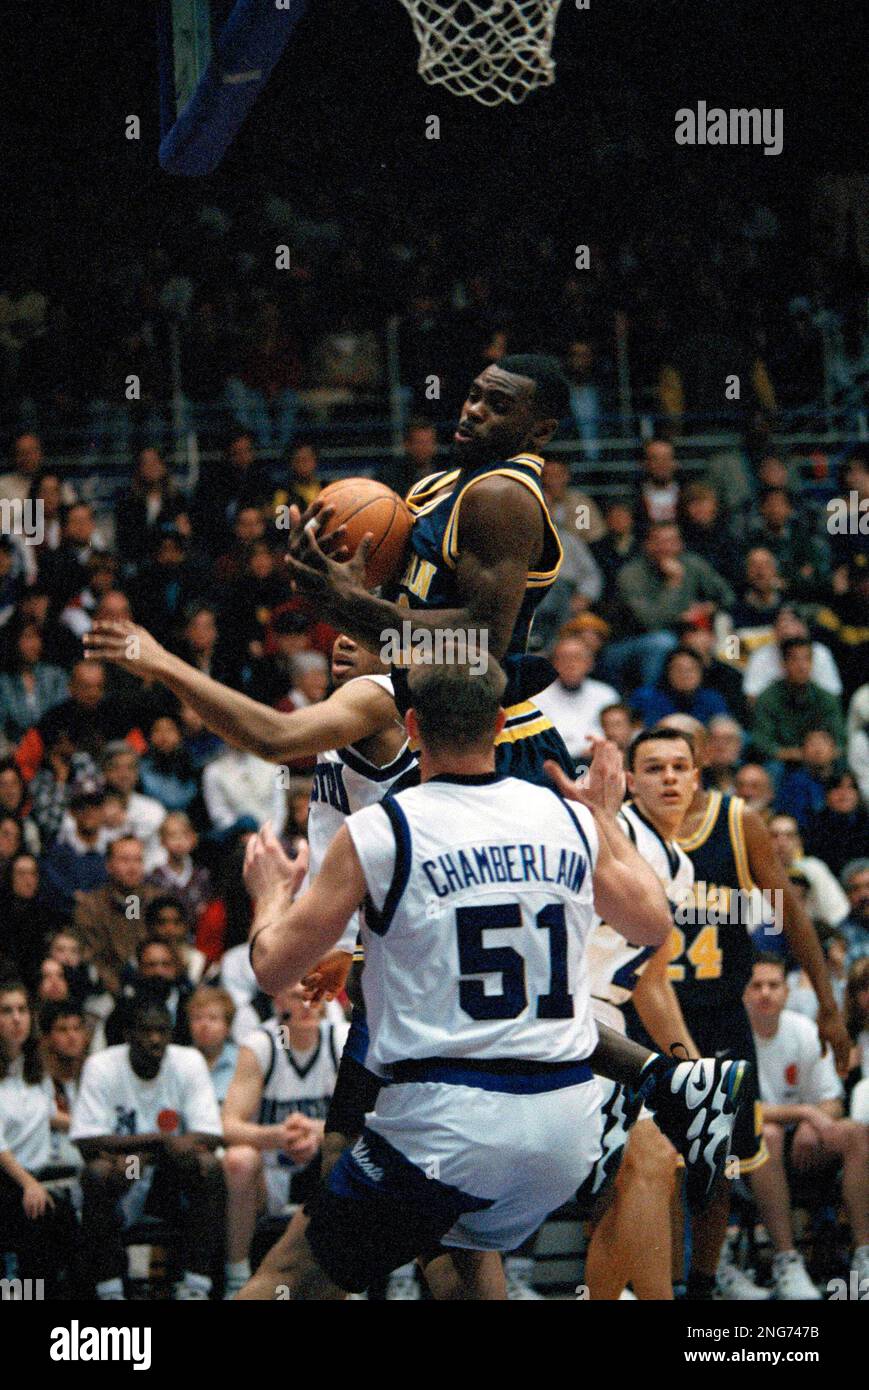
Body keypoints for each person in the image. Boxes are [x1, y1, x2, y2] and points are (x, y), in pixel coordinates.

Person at [238, 660, 675, 1299]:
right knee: (462, 1262)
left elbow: (273, 965)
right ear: (500, 726)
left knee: (288, 1277)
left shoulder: (382, 828)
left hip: (451, 1121)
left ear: (411, 728)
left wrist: (269, 896)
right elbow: (653, 921)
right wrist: (606, 818)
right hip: (562, 1124)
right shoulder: (568, 818)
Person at [654, 713, 851, 1300]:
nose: (671, 769)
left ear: (704, 759)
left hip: (717, 1015)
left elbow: (787, 912)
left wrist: (829, 1007)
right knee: (644, 1164)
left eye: (683, 754)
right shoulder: (626, 825)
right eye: (658, 758)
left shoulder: (737, 823)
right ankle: (649, 1281)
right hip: (645, 1017)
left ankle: (704, 1286)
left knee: (715, 1169)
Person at [70, 999, 224, 1300]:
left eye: (162, 1031)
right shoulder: (101, 1065)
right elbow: (86, 1140)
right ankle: (110, 1287)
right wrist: (157, 1140)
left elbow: (211, 1134)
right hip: (128, 1168)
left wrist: (158, 1149)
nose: (155, 1039)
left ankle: (196, 1285)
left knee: (209, 1166)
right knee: (98, 1172)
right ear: (128, 1034)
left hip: (169, 1169)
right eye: (146, 1031)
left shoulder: (188, 1061)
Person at [745, 955, 868, 1299]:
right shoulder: (734, 1034)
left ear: (787, 991)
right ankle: (787, 1261)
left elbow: (831, 1101)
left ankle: (864, 1256)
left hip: (804, 1146)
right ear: (744, 993)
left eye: (774, 985)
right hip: (747, 1154)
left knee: (855, 1133)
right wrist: (803, 1113)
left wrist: (813, 1121)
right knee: (765, 1134)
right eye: (757, 986)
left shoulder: (803, 1030)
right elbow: (741, 1110)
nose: (765, 993)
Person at [221, 985, 347, 1298]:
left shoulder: (342, 1039)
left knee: (364, 1154)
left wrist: (318, 1130)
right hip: (269, 1173)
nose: (306, 1005)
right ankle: (236, 1275)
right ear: (278, 1000)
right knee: (238, 1160)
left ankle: (369, 1279)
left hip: (324, 1170)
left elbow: (372, 1117)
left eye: (314, 997)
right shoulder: (260, 1045)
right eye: (295, 997)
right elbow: (227, 1125)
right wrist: (276, 1136)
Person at [0, 981, 78, 1295]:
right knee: (35, 1214)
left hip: (37, 1175)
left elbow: (47, 1115)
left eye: (22, 1010)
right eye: (6, 1011)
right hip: (9, 1179)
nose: (17, 1018)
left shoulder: (34, 1067)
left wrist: (90, 1128)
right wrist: (27, 1183)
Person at [602, 523, 734, 692]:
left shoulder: (692, 564)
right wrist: (673, 583)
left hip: (682, 633)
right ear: (647, 544)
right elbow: (651, 623)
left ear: (680, 544)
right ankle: (649, 702)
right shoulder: (630, 574)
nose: (666, 547)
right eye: (659, 541)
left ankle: (708, 701)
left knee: (716, 639)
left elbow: (727, 596)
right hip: (628, 643)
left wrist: (708, 608)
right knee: (663, 642)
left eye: (672, 541)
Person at [74, 835, 159, 995]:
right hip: (108, 991)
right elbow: (91, 957)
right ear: (109, 865)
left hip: (154, 986)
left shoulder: (157, 902)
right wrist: (122, 990)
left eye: (138, 860)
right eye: (125, 860)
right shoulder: (90, 906)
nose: (132, 867)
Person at [751, 637, 846, 771]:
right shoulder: (768, 698)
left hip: (822, 759)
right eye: (795, 659)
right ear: (783, 664)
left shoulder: (825, 698)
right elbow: (762, 743)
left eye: (807, 659)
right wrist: (798, 754)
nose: (802, 666)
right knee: (773, 768)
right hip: (785, 762)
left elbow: (840, 741)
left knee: (842, 766)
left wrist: (824, 752)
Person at [534, 634, 619, 759]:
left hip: (598, 762)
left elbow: (617, 736)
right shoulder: (537, 697)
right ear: (553, 663)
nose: (571, 664)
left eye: (577, 658)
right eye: (564, 658)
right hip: (552, 764)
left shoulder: (606, 695)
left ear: (590, 663)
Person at [767, 814, 850, 930]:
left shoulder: (814, 867)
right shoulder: (754, 872)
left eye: (789, 836)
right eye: (774, 836)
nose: (782, 842)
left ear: (798, 841)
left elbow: (837, 913)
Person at [630, 647, 730, 727]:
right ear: (667, 672)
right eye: (679, 669)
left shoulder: (712, 699)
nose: (685, 675)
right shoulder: (646, 697)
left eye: (691, 669)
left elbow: (722, 729)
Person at [187, 985, 238, 1103]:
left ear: (228, 1026)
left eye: (213, 1018)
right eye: (197, 1018)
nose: (204, 1025)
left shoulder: (241, 1062)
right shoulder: (180, 1062)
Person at [839, 860, 869, 968]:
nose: (864, 895)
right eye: (856, 889)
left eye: (868, 886)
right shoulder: (840, 936)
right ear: (846, 895)